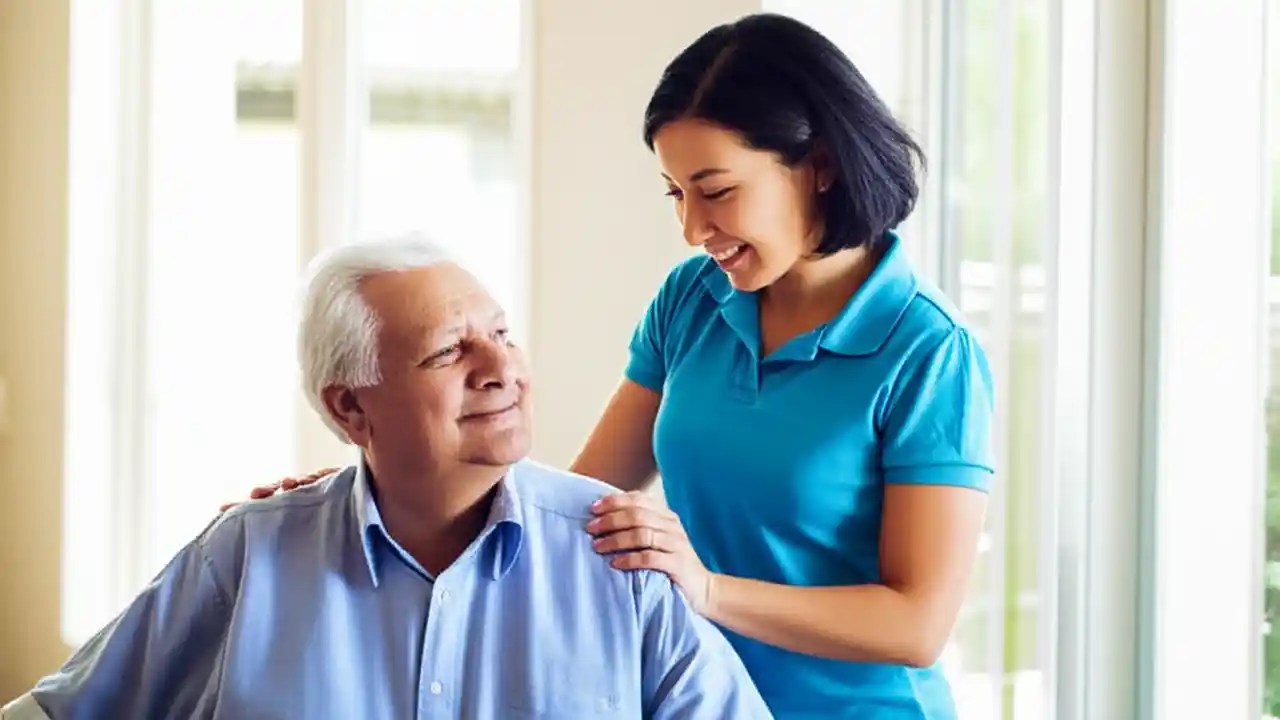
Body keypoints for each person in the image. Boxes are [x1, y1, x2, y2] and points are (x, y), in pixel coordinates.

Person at [247, 13, 994, 719]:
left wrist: (708, 590)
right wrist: (370, 489)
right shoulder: (694, 300)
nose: (693, 228)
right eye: (677, 193)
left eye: (717, 191)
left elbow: (916, 623)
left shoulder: (929, 353)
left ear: (819, 166)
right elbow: (575, 502)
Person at [1, 236, 770, 720]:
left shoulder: (619, 556)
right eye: (449, 352)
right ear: (350, 408)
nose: (501, 368)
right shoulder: (248, 554)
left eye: (502, 334)